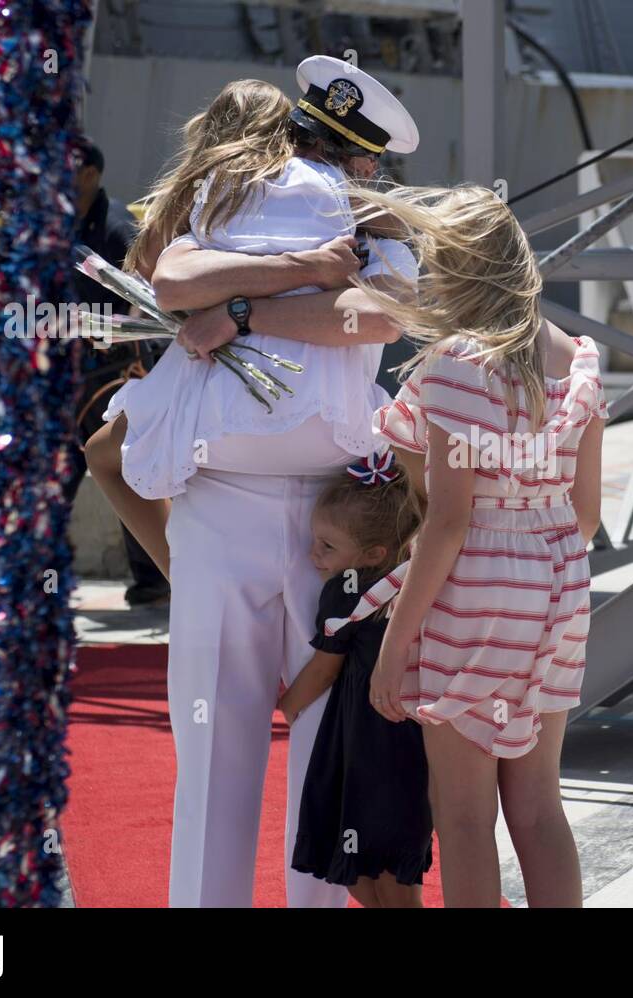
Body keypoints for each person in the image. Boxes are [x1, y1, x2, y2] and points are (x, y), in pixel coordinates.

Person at [85, 62, 420, 909]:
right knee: (318, 744)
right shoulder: (357, 215)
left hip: (258, 506)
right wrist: (305, 269)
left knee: (215, 748)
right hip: (318, 512)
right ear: (367, 158)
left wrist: (240, 312)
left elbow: (380, 317)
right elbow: (173, 285)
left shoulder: (239, 198)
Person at [339, 183, 606, 908]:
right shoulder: (580, 359)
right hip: (560, 586)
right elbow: (587, 515)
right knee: (539, 804)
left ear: (458, 273)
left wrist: (393, 651)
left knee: (463, 817)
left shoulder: (459, 365)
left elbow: (448, 522)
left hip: (476, 590)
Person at [281, 453, 432, 908]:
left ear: (371, 555)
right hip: (402, 738)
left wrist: (285, 705)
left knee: (375, 875)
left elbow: (326, 666)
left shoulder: (345, 591)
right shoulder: (409, 580)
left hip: (372, 743)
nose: (313, 555)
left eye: (326, 546)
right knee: (386, 872)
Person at [62, 136, 169, 606]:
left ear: (89, 174)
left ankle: (154, 577)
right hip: (72, 369)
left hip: (115, 370)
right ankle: (39, 573)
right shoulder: (64, 225)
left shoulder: (114, 224)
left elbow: (143, 283)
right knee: (63, 471)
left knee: (126, 468)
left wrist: (115, 332)